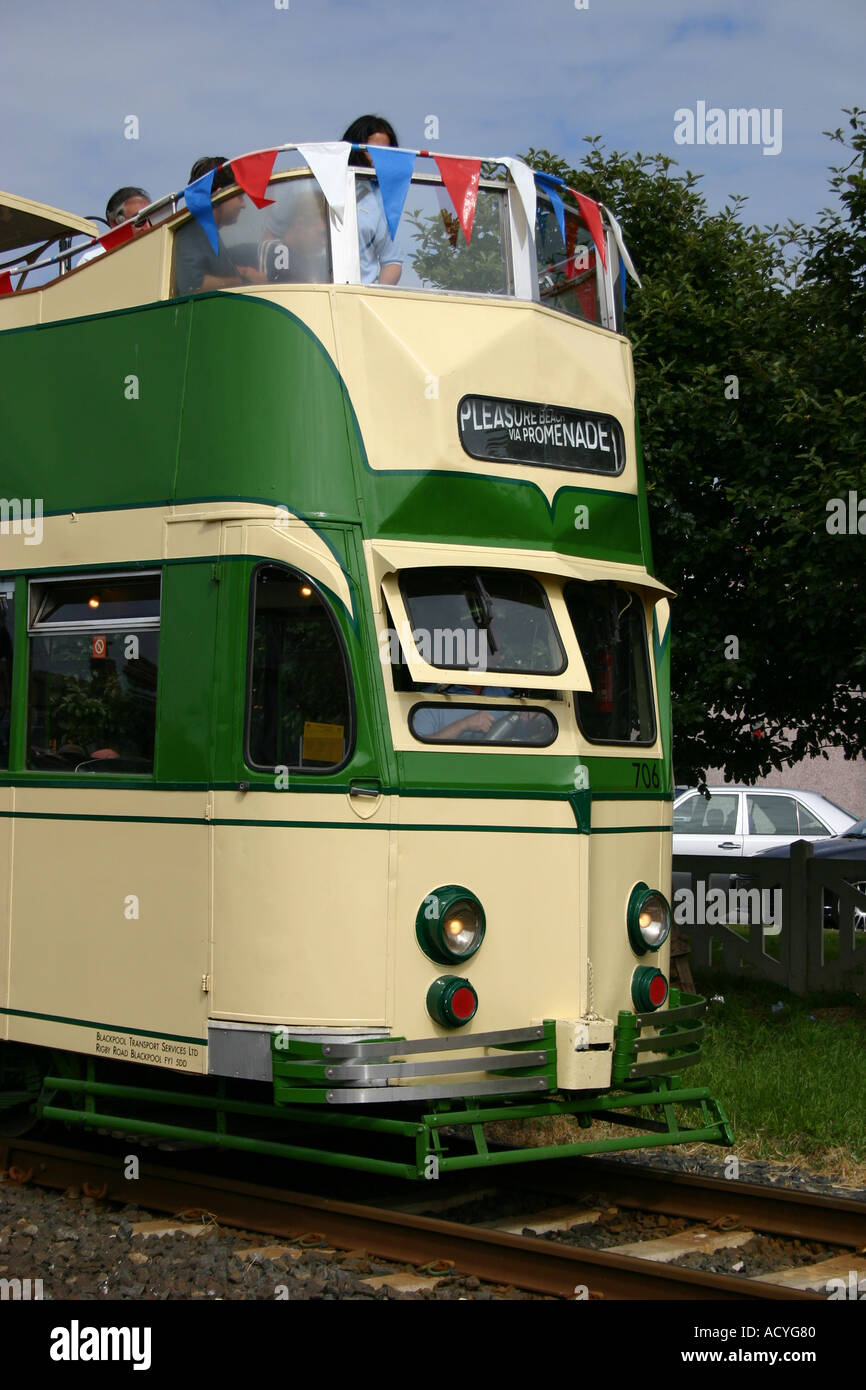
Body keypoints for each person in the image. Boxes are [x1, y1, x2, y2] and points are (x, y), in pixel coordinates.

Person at [173, 157, 267, 294]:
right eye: (239, 196)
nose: (244, 205)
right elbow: (192, 284)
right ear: (220, 194)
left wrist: (243, 271)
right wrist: (244, 279)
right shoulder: (192, 231)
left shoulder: (207, 235)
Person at [342, 115, 404, 285]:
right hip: (313, 292)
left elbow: (392, 261)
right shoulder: (319, 185)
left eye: (386, 152)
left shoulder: (383, 201)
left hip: (357, 297)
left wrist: (375, 297)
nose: (379, 157)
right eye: (372, 150)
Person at [77, 185, 152, 266]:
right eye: (140, 221)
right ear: (116, 223)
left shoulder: (163, 251)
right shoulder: (91, 260)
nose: (148, 226)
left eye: (152, 219)